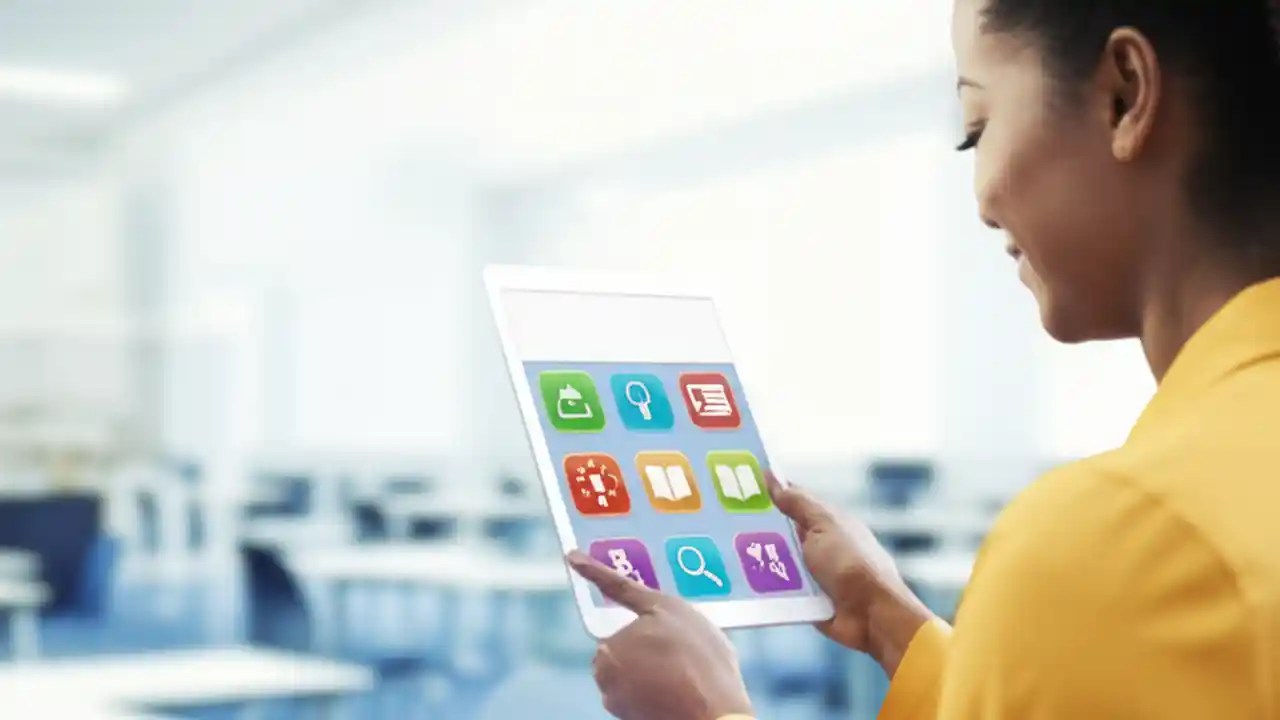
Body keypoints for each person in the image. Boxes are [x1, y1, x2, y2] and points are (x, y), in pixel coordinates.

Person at [567, 0, 1280, 717]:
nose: (982, 203)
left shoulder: (1125, 544)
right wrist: (890, 623)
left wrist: (709, 710)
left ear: (1124, 95)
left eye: (978, 129)